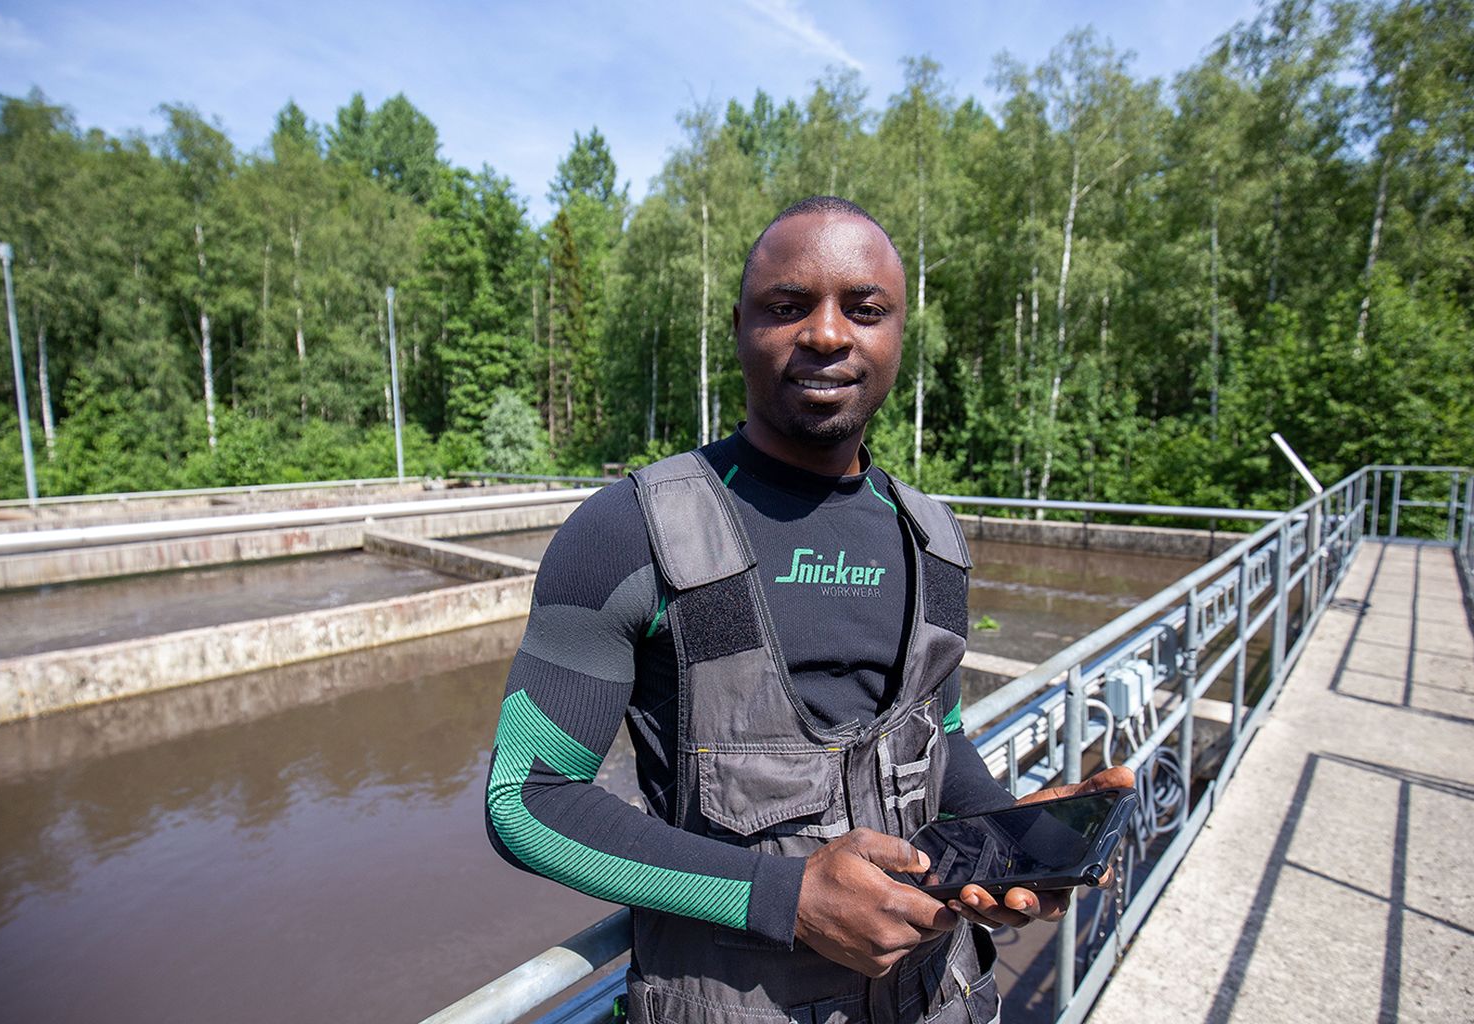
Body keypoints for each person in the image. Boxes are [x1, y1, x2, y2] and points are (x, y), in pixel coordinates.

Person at [485, 196, 1132, 1024]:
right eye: (788, 305)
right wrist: (783, 896)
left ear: (899, 333)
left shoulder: (934, 539)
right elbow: (529, 799)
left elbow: (940, 737)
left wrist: (1007, 834)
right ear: (739, 328)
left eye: (865, 309)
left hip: (944, 999)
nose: (827, 334)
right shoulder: (627, 532)